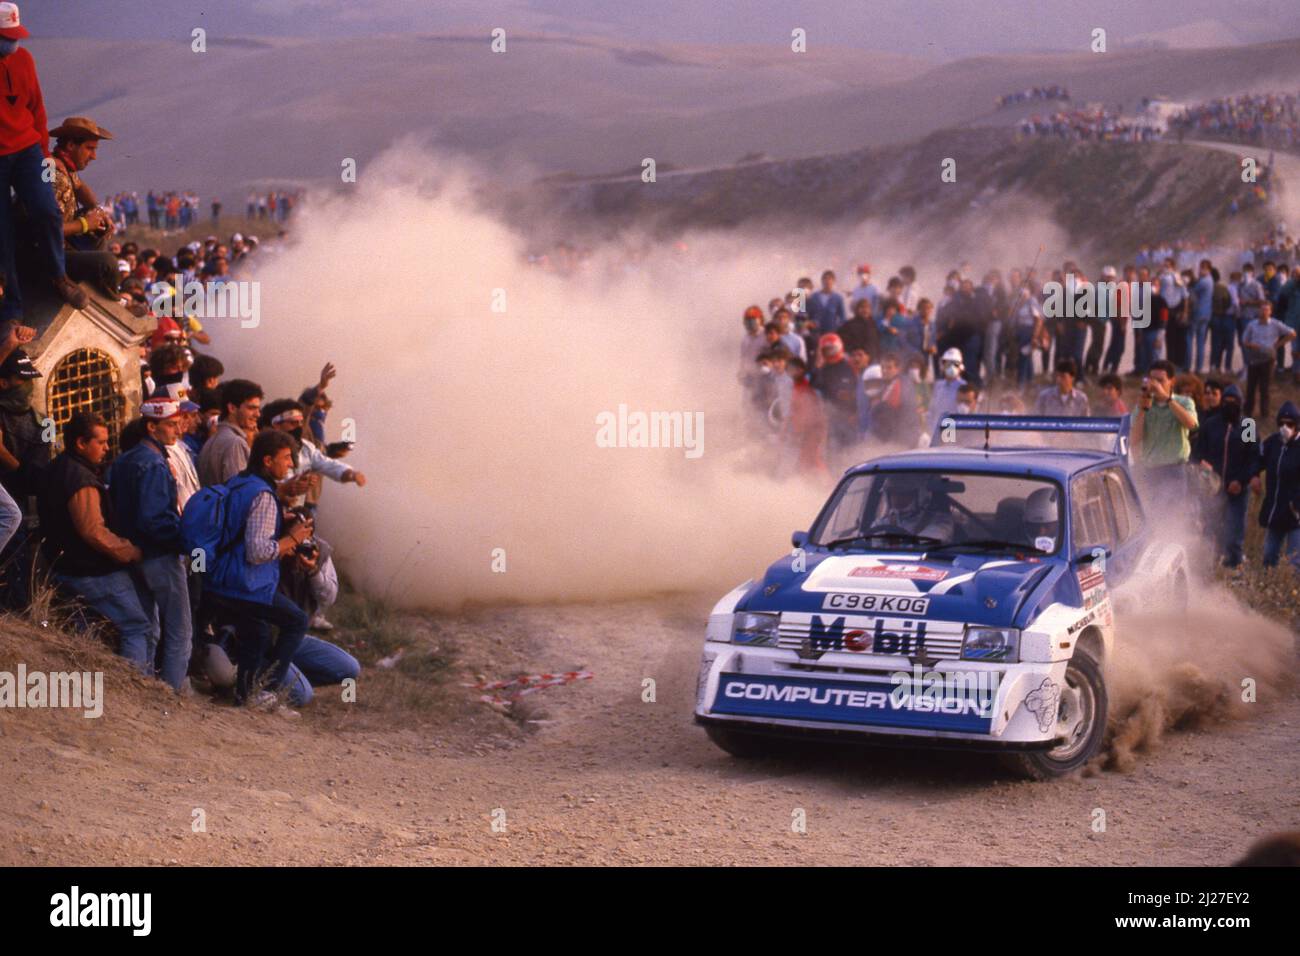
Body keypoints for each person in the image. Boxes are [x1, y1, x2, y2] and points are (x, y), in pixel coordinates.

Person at [36, 412, 156, 670]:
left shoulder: (59, 467)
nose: (107, 448)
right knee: (137, 627)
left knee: (86, 632)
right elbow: (93, 531)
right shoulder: (81, 479)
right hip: (92, 571)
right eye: (100, 442)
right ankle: (140, 693)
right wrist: (130, 551)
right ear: (81, 443)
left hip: (65, 568)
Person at [202, 429, 312, 707]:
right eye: (286, 458)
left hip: (219, 577)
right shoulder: (263, 496)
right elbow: (258, 551)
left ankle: (245, 696)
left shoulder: (240, 481)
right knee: (296, 620)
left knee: (257, 633)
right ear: (267, 460)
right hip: (243, 583)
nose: (290, 464)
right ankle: (266, 691)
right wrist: (292, 539)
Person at [0, 3, 88, 321]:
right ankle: (12, 308)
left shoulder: (24, 60)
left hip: (27, 151)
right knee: (2, 233)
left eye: (14, 36)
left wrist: (45, 158)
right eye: (5, 37)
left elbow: (37, 109)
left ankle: (58, 276)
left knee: (47, 209)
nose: (12, 43)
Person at [106, 398, 192, 691]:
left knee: (146, 627)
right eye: (169, 424)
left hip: (132, 555)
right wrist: (186, 540)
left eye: (177, 423)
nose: (176, 430)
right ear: (151, 426)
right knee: (179, 631)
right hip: (160, 556)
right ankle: (171, 694)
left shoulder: (123, 459)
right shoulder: (154, 463)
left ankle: (140, 689)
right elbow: (155, 520)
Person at [49, 116, 119, 295]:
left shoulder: (66, 169)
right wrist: (86, 224)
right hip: (46, 255)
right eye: (89, 149)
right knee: (107, 263)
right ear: (71, 145)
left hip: (61, 247)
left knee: (99, 226)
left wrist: (98, 212)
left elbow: (79, 187)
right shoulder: (54, 177)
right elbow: (44, 230)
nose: (93, 156)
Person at [1192, 385, 1256, 568]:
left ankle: (1234, 567)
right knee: (1210, 529)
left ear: (1241, 403)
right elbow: (1197, 453)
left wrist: (1241, 481)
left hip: (1238, 490)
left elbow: (1253, 458)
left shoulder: (1247, 425)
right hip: (1212, 488)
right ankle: (1208, 567)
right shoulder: (1211, 425)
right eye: (1226, 402)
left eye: (1234, 402)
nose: (1230, 406)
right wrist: (1201, 463)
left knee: (1234, 534)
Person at [1250, 402, 1300, 571]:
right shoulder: (1272, 443)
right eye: (1281, 423)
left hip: (1296, 514)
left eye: (1290, 424)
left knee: (1295, 563)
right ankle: (1266, 589)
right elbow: (1257, 458)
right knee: (1269, 557)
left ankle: (1291, 594)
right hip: (1275, 510)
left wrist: (1296, 504)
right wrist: (1255, 475)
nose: (1285, 427)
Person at [1131, 359, 1198, 473]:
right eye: (1153, 380)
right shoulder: (1143, 403)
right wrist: (1142, 410)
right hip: (1150, 469)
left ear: (1172, 381)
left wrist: (1166, 398)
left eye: (1160, 381)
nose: (1156, 385)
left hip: (1175, 468)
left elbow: (1192, 425)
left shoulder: (1185, 402)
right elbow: (1135, 440)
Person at [198, 378, 262, 486]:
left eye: (258, 409)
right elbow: (239, 493)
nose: (258, 414)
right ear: (232, 408)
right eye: (251, 408)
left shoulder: (214, 438)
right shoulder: (235, 443)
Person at [1241, 301, 1295, 420]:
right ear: (1259, 311)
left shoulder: (1275, 324)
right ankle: (1247, 411)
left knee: (1265, 388)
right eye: (1262, 309)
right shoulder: (1252, 325)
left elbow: (1292, 333)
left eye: (1266, 310)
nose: (1264, 312)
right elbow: (1244, 340)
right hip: (1254, 359)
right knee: (1251, 386)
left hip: (1268, 359)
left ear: (1270, 311)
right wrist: (1251, 345)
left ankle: (1264, 413)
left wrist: (1278, 344)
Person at [876, 474, 954, 541]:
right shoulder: (884, 522)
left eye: (905, 493)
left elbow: (928, 542)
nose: (898, 498)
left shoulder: (940, 521)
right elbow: (869, 539)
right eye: (894, 493)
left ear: (921, 495)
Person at [925, 347, 966, 437]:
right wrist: (927, 431)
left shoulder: (964, 387)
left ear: (960, 367)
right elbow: (932, 410)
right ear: (943, 366)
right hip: (935, 431)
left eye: (955, 364)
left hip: (954, 432)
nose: (951, 367)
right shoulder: (938, 386)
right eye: (948, 364)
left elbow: (964, 414)